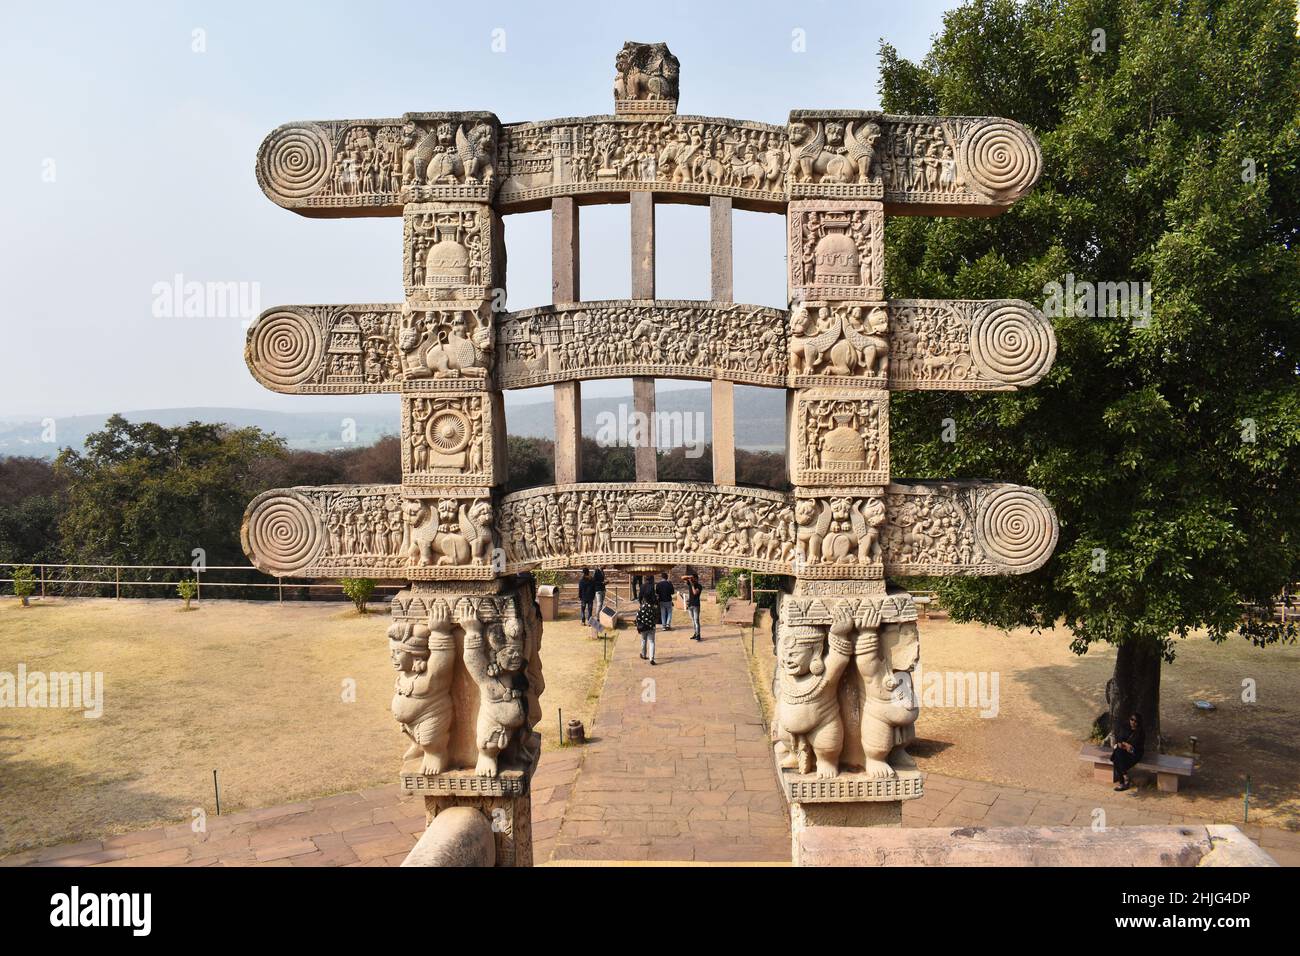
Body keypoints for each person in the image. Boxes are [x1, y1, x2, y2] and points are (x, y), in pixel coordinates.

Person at [1111, 713, 1145, 791]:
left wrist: (1124, 745)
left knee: (1116, 758)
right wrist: (1124, 744)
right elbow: (1119, 738)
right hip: (1123, 751)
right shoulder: (1125, 727)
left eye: (1135, 721)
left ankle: (1122, 782)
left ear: (1139, 722)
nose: (1133, 722)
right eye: (1132, 719)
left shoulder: (1140, 733)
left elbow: (1133, 747)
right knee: (1118, 753)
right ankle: (1125, 777)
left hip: (1135, 753)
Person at [635, 578, 659, 665]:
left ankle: (644, 654)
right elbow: (656, 617)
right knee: (652, 642)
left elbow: (637, 618)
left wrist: (638, 626)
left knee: (643, 640)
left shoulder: (641, 608)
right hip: (651, 626)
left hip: (643, 626)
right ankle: (651, 658)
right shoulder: (653, 608)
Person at [684, 573, 703, 641]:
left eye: (694, 578)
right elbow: (682, 577)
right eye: (692, 579)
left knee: (696, 621)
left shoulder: (699, 586)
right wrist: (689, 577)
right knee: (693, 621)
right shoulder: (690, 583)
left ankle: (698, 635)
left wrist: (692, 585)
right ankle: (695, 633)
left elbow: (695, 593)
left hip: (696, 605)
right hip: (690, 605)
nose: (692, 580)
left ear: (696, 579)